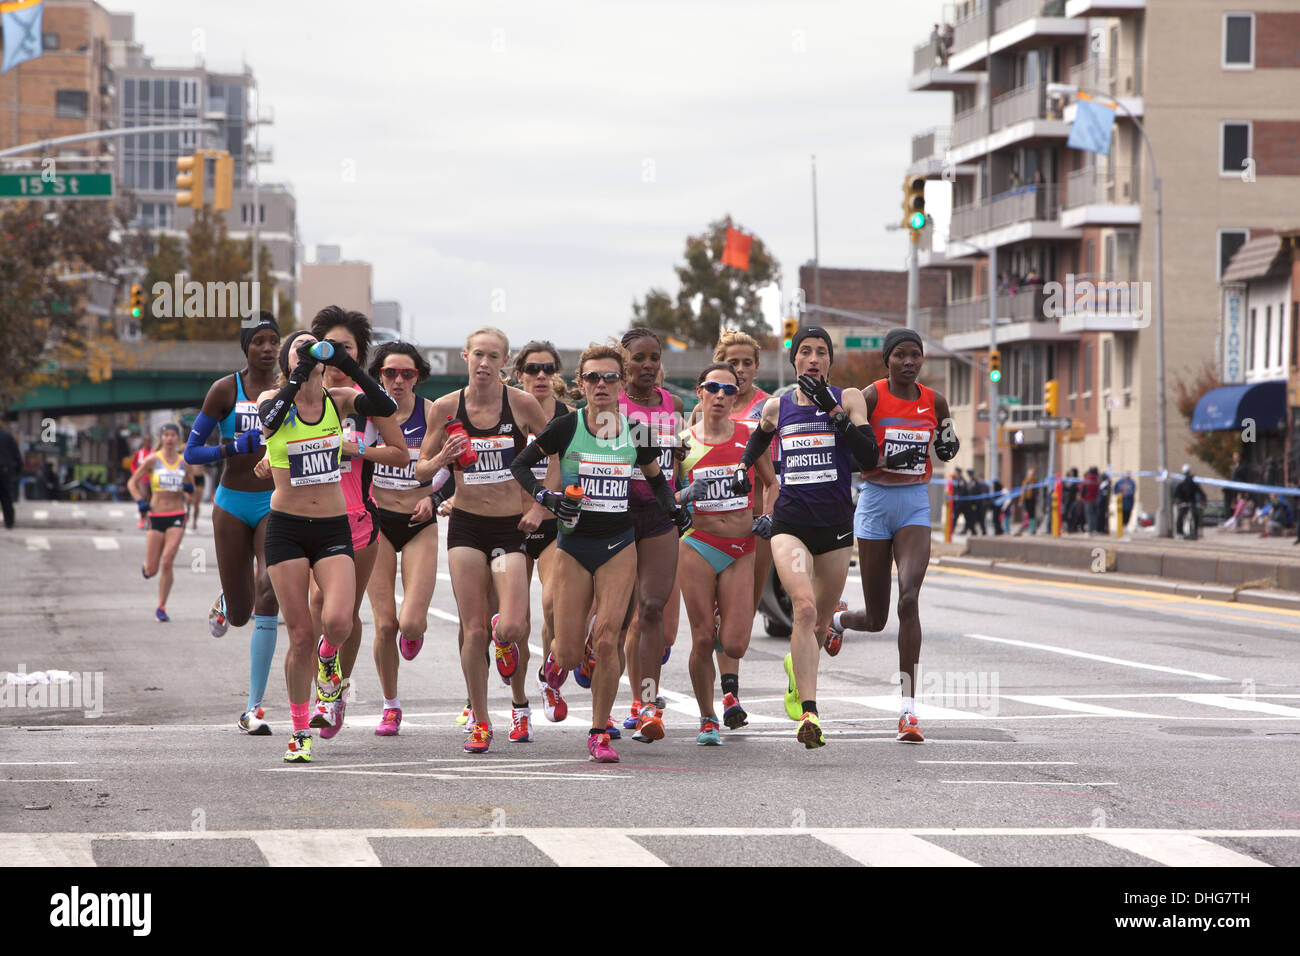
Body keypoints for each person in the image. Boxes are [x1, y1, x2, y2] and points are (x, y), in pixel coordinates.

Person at [510, 341, 690, 763]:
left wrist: (673, 509)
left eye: (611, 377)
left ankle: (598, 732)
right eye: (593, 377)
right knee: (571, 650)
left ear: (621, 383)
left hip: (618, 544)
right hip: (573, 546)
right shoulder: (566, 428)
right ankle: (552, 670)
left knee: (608, 639)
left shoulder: (636, 432)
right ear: (581, 384)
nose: (602, 385)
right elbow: (520, 466)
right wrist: (548, 499)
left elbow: (657, 480)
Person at [731, 326, 883, 749]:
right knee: (803, 607)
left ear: (829, 362)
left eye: (821, 352)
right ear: (794, 360)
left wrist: (832, 413)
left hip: (835, 529)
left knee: (818, 624)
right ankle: (811, 714)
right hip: (790, 526)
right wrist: (741, 469)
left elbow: (869, 456)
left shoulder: (847, 399)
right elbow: (758, 436)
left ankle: (796, 673)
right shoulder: (778, 407)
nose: (813, 358)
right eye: (806, 352)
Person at [256, 326, 397, 763]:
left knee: (338, 621)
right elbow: (271, 420)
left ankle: (330, 658)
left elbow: (385, 405)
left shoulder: (339, 399)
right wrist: (298, 374)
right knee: (299, 634)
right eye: (298, 346)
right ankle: (300, 732)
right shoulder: (271, 400)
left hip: (333, 525)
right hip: (287, 527)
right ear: (286, 362)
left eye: (312, 345)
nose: (308, 349)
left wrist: (349, 363)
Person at [414, 327, 550, 754]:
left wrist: (539, 507)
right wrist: (443, 459)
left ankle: (502, 635)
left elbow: (556, 453)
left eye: (494, 357)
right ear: (465, 357)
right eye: (478, 355)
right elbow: (421, 471)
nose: (485, 363)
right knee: (472, 631)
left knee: (510, 625)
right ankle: (481, 719)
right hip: (467, 527)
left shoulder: (523, 404)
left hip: (510, 529)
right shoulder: (446, 407)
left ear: (505, 364)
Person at [826, 328, 952, 743]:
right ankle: (840, 620)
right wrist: (880, 456)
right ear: (888, 360)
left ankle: (909, 710)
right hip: (876, 502)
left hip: (914, 502)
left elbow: (948, 443)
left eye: (915, 355)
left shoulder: (936, 401)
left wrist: (949, 443)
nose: (908, 362)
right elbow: (852, 452)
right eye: (900, 355)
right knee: (878, 618)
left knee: (910, 598)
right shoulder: (871, 396)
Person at [304, 308, 408, 739]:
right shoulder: (299, 397)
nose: (335, 355)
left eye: (346, 348)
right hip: (307, 515)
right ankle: (326, 695)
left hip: (358, 520)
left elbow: (400, 453)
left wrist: (355, 451)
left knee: (342, 614)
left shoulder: (366, 402)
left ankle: (336, 689)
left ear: (358, 354)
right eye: (329, 346)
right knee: (316, 607)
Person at [183, 313, 283, 734]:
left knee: (269, 595)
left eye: (273, 341)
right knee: (242, 612)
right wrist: (231, 446)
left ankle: (253, 707)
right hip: (230, 503)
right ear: (246, 346)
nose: (266, 348)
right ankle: (226, 601)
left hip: (273, 502)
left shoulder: (287, 390)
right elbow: (191, 452)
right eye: (258, 341)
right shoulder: (224, 390)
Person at [677, 363, 774, 745]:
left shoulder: (750, 437)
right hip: (698, 544)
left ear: (736, 397)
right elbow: (664, 498)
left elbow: (771, 483)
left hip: (741, 547)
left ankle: (720, 618)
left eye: (728, 390)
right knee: (702, 639)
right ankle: (706, 718)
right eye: (713, 388)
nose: (720, 395)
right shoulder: (683, 442)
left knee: (734, 644)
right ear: (700, 392)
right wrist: (686, 497)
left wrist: (768, 515)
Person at [364, 342, 456, 737]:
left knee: (411, 623)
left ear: (418, 376)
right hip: (379, 522)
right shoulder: (366, 413)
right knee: (385, 625)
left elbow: (452, 464)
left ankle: (414, 633)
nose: (398, 381)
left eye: (407, 374)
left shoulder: (433, 412)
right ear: (379, 376)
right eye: (390, 374)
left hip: (420, 521)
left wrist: (434, 500)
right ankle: (391, 705)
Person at [615, 328, 687, 743]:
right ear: (623, 363)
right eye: (638, 358)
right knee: (620, 616)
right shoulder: (610, 404)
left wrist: (674, 453)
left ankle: (647, 704)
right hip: (617, 513)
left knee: (653, 608)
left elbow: (672, 456)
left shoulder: (672, 404)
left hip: (658, 513)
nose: (647, 365)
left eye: (653, 358)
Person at [512, 341, 573, 724]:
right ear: (519, 374)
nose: (540, 376)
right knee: (513, 619)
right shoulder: (507, 411)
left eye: (548, 369)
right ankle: (519, 706)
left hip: (552, 525)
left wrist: (539, 506)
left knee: (554, 604)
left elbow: (559, 464)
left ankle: (550, 677)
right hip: (509, 528)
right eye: (532, 369)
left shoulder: (568, 417)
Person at [127, 424, 201, 622]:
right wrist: (140, 501)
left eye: (173, 435)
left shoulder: (184, 462)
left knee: (167, 561)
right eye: (166, 435)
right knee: (152, 570)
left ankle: (161, 606)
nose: (169, 439)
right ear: (161, 438)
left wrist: (188, 488)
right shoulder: (153, 460)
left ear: (177, 438)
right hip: (156, 515)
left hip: (177, 514)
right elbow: (132, 482)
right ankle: (147, 568)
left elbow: (193, 488)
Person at [1172, 464, 1206, 540]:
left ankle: (1195, 532)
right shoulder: (1181, 484)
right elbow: (1176, 494)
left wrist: (1202, 500)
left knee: (1195, 515)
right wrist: (1177, 500)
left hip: (1191, 503)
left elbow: (1200, 492)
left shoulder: (1193, 483)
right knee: (1180, 517)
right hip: (1183, 503)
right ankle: (1179, 532)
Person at [0, 422, 20, 530]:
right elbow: (16, 454)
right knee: (6, 498)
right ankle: (9, 522)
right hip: (5, 470)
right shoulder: (8, 436)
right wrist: (18, 470)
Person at [131, 436, 153, 528]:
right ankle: (142, 518)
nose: (148, 442)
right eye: (146, 441)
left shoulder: (154, 452)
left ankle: (150, 518)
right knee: (143, 496)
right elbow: (132, 464)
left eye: (149, 441)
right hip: (142, 479)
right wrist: (135, 473)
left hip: (152, 479)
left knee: (151, 499)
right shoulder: (139, 453)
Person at [1082, 466, 1101, 533]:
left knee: (1089, 515)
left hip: (1088, 499)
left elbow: (1083, 489)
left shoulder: (1087, 478)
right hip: (1096, 499)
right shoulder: (1098, 479)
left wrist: (1082, 497)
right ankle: (1094, 529)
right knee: (1094, 515)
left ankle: (1089, 530)